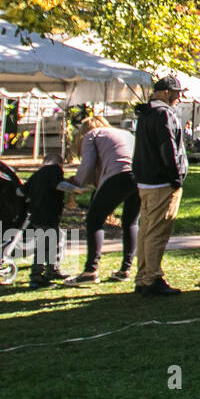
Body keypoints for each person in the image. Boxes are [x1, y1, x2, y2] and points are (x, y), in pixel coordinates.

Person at [132, 75, 188, 297]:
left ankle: (143, 275)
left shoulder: (146, 114)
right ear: (166, 92)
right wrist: (176, 177)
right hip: (161, 182)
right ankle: (152, 277)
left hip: (146, 181)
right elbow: (168, 148)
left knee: (146, 230)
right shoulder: (163, 114)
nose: (178, 98)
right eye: (176, 94)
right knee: (157, 231)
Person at [65, 115, 139, 284]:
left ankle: (90, 271)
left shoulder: (93, 134)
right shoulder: (126, 133)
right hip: (140, 176)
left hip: (119, 175)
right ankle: (125, 269)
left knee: (94, 220)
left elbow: (88, 165)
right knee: (131, 222)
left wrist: (77, 184)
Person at [25, 154, 66, 287]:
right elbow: (59, 185)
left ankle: (52, 270)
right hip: (47, 217)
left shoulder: (37, 175)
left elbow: (20, 192)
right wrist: (78, 189)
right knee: (43, 246)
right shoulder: (53, 170)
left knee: (56, 239)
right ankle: (36, 278)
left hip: (38, 216)